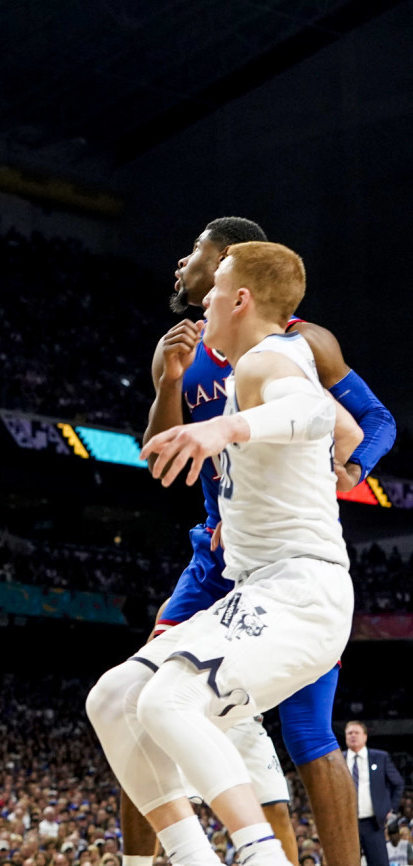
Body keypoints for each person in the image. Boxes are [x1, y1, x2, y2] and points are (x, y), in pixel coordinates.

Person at [120, 217, 396, 866]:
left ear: (230, 269)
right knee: (132, 701)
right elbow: (159, 455)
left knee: (308, 733)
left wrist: (354, 468)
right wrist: (168, 384)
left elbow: (371, 419)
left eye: (197, 253)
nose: (183, 263)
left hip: (284, 557)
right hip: (216, 556)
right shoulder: (180, 348)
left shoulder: (300, 343)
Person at [344, 721, 406, 866]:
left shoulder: (380, 757)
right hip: (346, 824)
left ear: (365, 736)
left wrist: (390, 809)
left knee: (379, 863)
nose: (353, 736)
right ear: (345, 737)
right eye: (349, 733)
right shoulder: (338, 760)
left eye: (356, 732)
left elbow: (398, 783)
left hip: (372, 823)